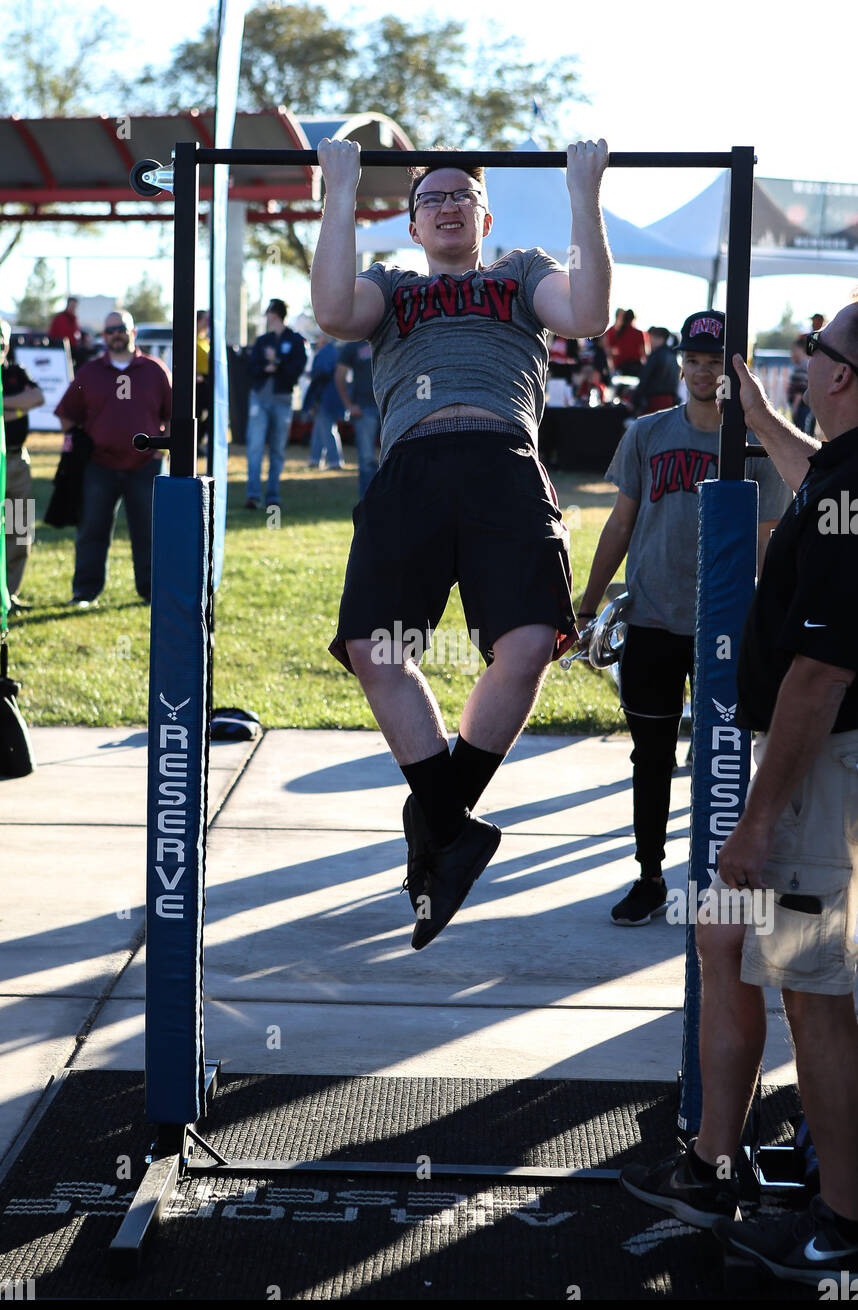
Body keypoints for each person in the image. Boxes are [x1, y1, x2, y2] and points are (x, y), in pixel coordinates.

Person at [312, 136, 611, 950]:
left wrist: (585, 194)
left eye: (460, 195)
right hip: (410, 468)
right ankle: (454, 831)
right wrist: (339, 193)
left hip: (502, 464)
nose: (447, 205)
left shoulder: (518, 273)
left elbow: (587, 316)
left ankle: (440, 828)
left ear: (485, 214)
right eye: (430, 199)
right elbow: (334, 313)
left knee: (527, 645)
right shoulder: (393, 289)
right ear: (412, 225)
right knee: (377, 648)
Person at [621, 303, 858, 1288]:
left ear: (839, 374)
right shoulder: (839, 472)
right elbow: (807, 477)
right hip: (806, 765)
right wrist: (755, 409)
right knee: (721, 932)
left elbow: (816, 675)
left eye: (814, 349)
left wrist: (756, 821)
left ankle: (841, 1223)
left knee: (812, 997)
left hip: (815, 769)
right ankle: (710, 1167)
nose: (800, 359)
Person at [575, 310, 793, 925]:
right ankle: (648, 875)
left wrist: (761, 615)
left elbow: (769, 537)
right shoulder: (646, 434)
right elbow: (620, 522)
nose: (703, 371)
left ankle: (729, 875)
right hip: (652, 621)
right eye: (694, 360)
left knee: (726, 753)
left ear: (736, 369)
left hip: (725, 628)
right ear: (681, 364)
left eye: (716, 361)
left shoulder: (754, 442)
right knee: (650, 756)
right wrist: (590, 605)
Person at [54, 310, 171, 606]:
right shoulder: (90, 372)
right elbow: (66, 413)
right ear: (104, 337)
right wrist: (81, 443)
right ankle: (85, 591)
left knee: (149, 532)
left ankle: (151, 592)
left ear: (133, 333)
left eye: (121, 328)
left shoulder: (155, 370)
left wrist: (162, 448)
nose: (116, 334)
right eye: (110, 331)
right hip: (99, 465)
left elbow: (173, 416)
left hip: (146, 466)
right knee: (91, 530)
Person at [0, 321, 43, 612]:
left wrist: (3, 406)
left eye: (3, 339)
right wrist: (17, 407)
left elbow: (37, 398)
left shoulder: (15, 372)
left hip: (17, 461)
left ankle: (6, 595)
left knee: (19, 529)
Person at [245, 298, 306, 510]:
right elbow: (251, 368)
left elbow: (297, 370)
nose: (266, 316)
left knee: (277, 449)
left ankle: (272, 495)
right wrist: (266, 368)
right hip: (259, 399)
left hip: (282, 400)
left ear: (275, 314)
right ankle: (253, 496)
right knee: (255, 446)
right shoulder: (263, 341)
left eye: (268, 312)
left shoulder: (296, 340)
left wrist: (277, 362)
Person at [334, 338, 380, 497]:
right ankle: (368, 504)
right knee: (367, 460)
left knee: (394, 456)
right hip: (364, 408)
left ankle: (391, 502)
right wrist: (349, 405)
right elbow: (340, 376)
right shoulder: (353, 344)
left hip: (390, 407)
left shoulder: (388, 335)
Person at [304, 334, 344, 470]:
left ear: (326, 339)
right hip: (329, 396)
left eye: (320, 337)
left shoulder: (327, 352)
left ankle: (335, 462)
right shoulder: (333, 351)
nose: (317, 339)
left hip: (325, 397)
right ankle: (315, 460)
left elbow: (322, 373)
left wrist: (313, 397)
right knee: (320, 429)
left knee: (327, 429)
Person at [633, 325, 679, 414]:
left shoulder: (656, 355)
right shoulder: (673, 355)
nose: (650, 341)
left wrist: (634, 400)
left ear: (660, 339)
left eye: (652, 338)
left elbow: (644, 378)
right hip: (671, 402)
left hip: (655, 402)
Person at [608, 308, 647, 378]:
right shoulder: (638, 333)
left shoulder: (617, 332)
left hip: (620, 367)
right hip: (635, 368)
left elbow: (610, 351)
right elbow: (644, 353)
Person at [195, 309, 211, 457]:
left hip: (207, 380)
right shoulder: (193, 339)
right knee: (198, 414)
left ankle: (202, 442)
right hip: (198, 382)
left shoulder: (205, 340)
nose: (207, 322)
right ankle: (196, 444)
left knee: (209, 414)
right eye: (205, 319)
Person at [787, 333, 810, 432]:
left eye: (793, 350)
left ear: (800, 350)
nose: (792, 353)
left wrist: (795, 407)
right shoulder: (802, 364)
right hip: (801, 404)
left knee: (800, 430)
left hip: (800, 405)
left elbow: (800, 390)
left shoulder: (802, 365)